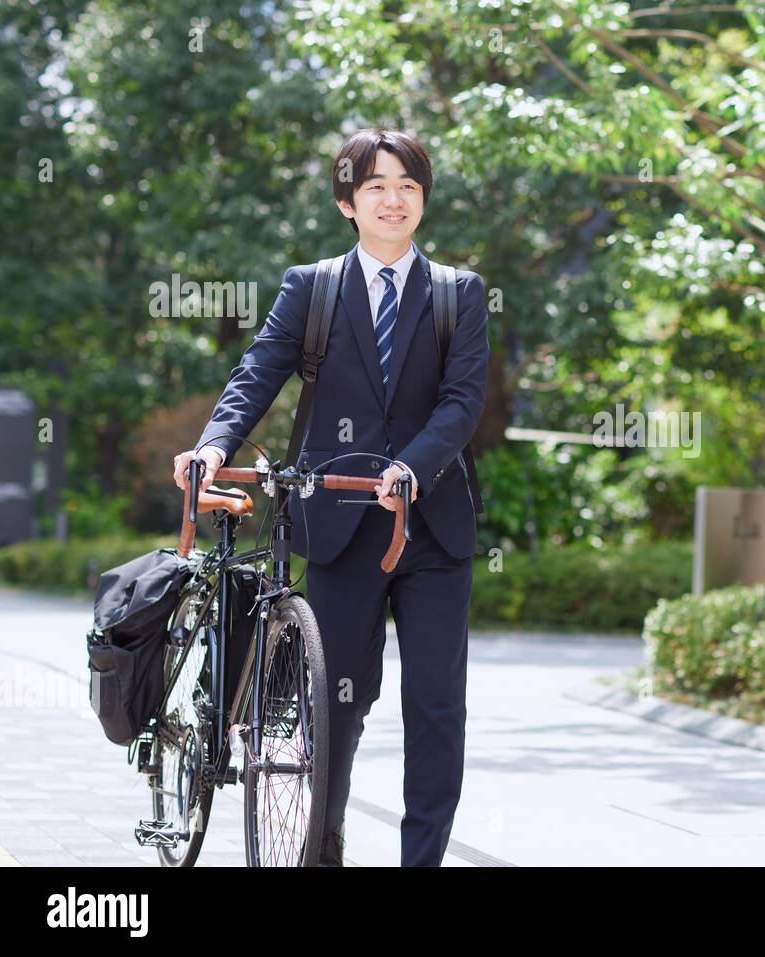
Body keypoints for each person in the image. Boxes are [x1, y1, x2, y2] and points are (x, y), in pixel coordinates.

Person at [172, 128, 488, 867]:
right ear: (348, 200)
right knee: (337, 702)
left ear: (423, 199)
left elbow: (463, 401)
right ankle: (324, 845)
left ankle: (423, 860)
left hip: (433, 531)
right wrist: (215, 443)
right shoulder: (311, 289)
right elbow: (258, 372)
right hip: (339, 528)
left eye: (408, 185)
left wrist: (412, 465)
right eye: (376, 185)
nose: (393, 199)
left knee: (436, 710)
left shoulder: (457, 295)